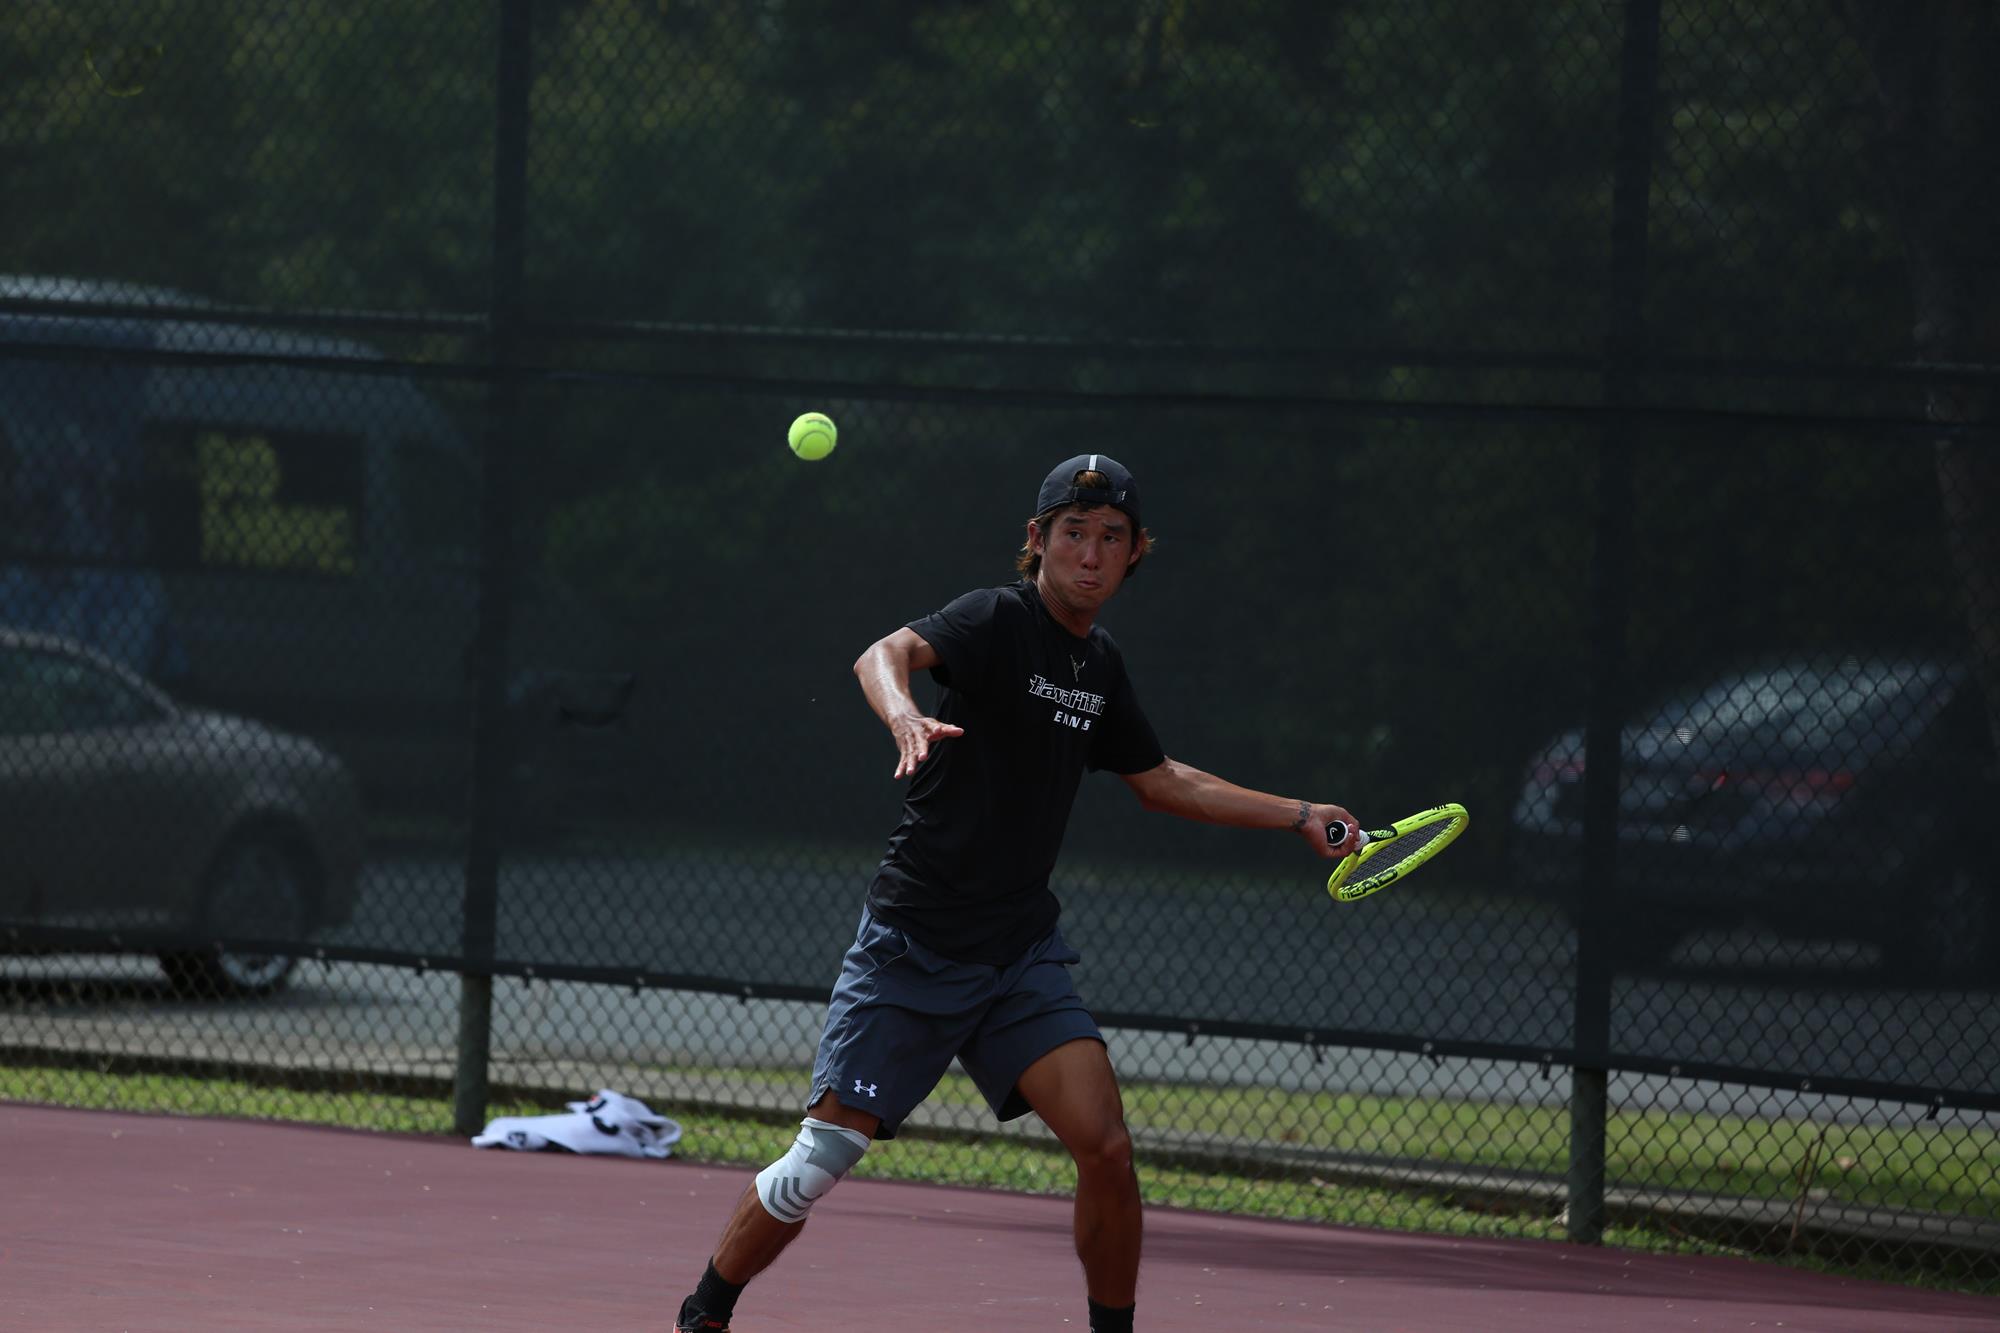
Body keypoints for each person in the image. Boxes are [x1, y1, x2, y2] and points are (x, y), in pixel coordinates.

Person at [675, 453, 1359, 1333]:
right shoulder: (996, 617)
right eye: (1073, 533)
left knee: (1106, 1148)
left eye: (1112, 539)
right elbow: (882, 653)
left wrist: (1300, 813)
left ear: (1136, 553)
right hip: (913, 943)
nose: (1091, 554)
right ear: (1036, 542)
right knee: (821, 1158)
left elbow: (1162, 780)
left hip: (1018, 957)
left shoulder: (1099, 666)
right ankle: (704, 1314)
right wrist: (906, 713)